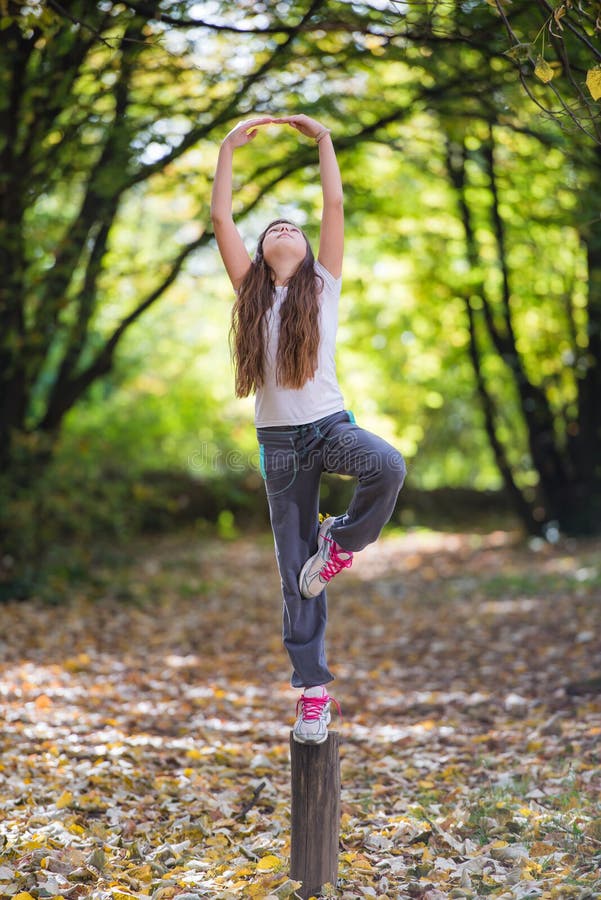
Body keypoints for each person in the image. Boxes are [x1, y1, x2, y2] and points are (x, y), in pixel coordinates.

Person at [211, 113, 406, 744]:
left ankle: (342, 545)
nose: (288, 229)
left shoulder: (322, 286)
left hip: (329, 427)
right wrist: (226, 151)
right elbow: (220, 219)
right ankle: (313, 693)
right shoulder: (250, 292)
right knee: (292, 572)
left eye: (294, 227)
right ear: (263, 253)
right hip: (280, 448)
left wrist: (324, 139)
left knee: (388, 464)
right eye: (274, 229)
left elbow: (335, 200)